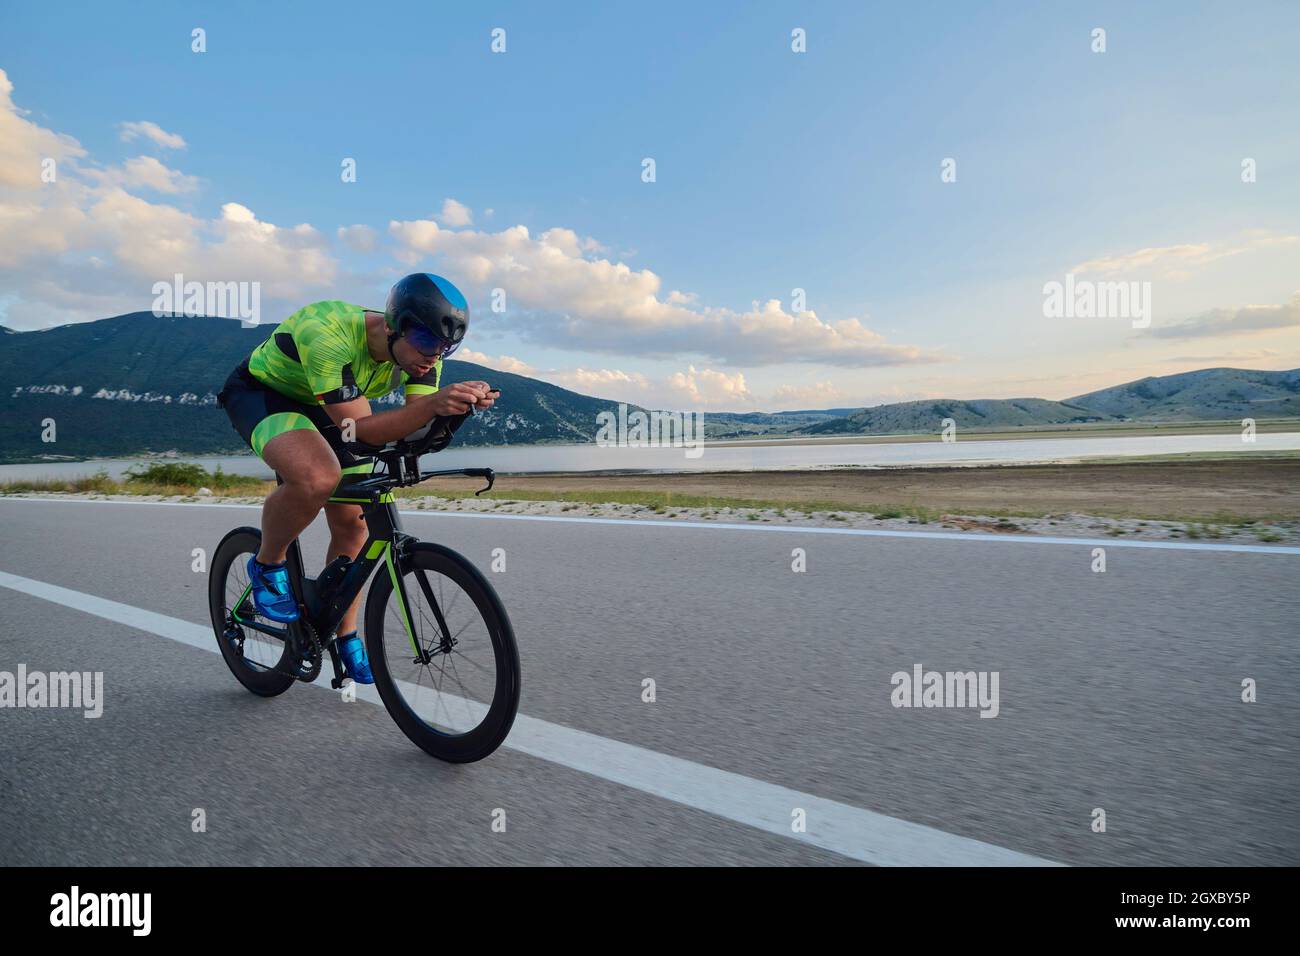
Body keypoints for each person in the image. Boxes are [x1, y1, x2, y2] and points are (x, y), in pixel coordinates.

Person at [216, 273, 496, 683]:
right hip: (269, 394)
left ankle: (343, 637)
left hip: (338, 411)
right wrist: (433, 403)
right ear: (392, 325)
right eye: (425, 344)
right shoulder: (328, 333)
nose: (433, 358)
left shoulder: (425, 356)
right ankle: (267, 564)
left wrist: (453, 410)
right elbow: (362, 430)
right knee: (316, 478)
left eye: (444, 348)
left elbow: (411, 429)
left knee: (354, 524)